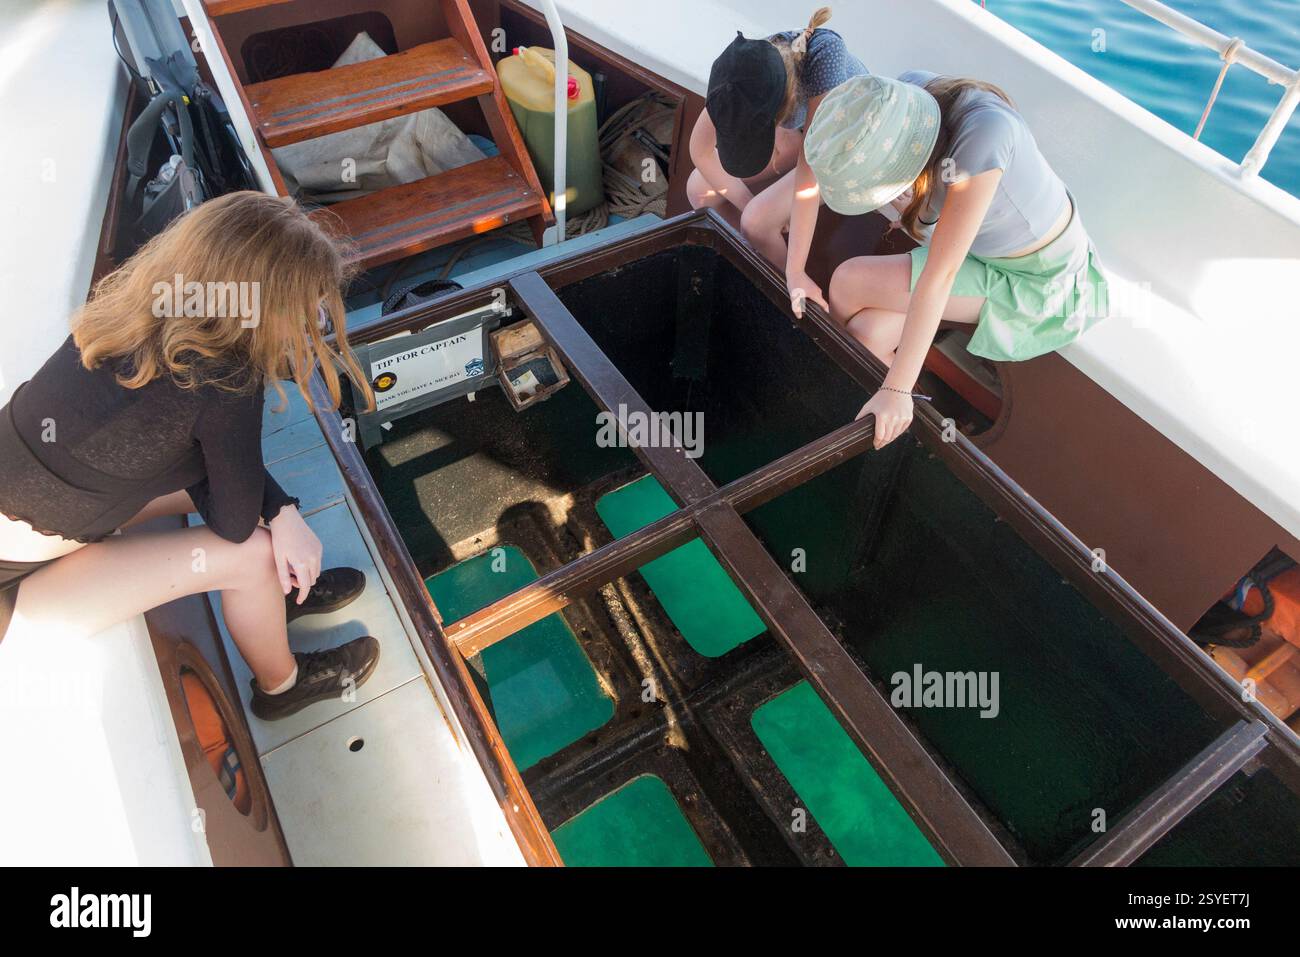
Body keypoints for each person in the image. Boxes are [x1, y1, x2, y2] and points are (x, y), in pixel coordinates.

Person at [0, 191, 380, 721]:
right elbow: (232, 522)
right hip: (8, 589)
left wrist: (282, 509)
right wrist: (282, 517)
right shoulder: (225, 383)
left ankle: (276, 599)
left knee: (252, 519)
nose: (316, 312)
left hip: (29, 504)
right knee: (252, 556)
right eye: (307, 300)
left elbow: (191, 464)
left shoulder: (134, 305)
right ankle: (282, 686)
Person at [804, 71, 1108, 448]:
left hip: (1040, 281)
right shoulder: (906, 102)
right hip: (986, 253)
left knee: (849, 282)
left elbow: (940, 277)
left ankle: (897, 404)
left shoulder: (983, 139)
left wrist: (896, 388)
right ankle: (892, 411)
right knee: (867, 333)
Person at [687, 7, 868, 314]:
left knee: (759, 221)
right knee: (699, 187)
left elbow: (810, 175)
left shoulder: (825, 59)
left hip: (847, 137)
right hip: (798, 129)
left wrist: (795, 271)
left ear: (778, 113)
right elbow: (700, 149)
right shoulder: (748, 69)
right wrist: (744, 203)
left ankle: (783, 300)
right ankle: (745, 266)